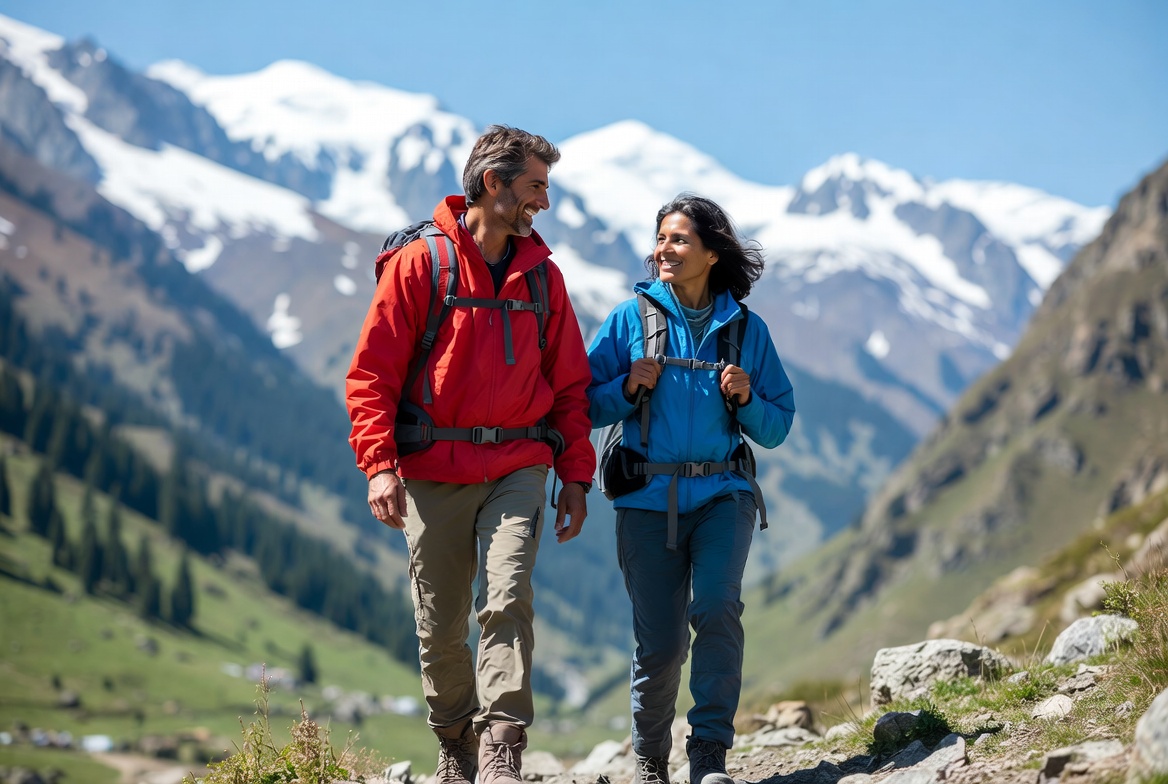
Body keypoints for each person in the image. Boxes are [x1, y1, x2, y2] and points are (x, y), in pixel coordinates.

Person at [346, 125, 595, 784]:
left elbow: (570, 388)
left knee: (508, 596)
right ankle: (455, 739)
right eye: (535, 186)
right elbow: (371, 376)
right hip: (432, 471)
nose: (543, 201)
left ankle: (502, 749)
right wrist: (379, 465)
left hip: (518, 464)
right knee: (441, 621)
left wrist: (574, 476)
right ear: (494, 183)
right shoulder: (420, 265)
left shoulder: (544, 278)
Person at [586, 194, 795, 784]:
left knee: (717, 609)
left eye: (678, 239)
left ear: (710, 252)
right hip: (644, 502)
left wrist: (748, 398)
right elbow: (579, 403)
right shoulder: (629, 320)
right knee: (659, 647)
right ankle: (650, 764)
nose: (664, 250)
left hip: (723, 496)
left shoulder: (746, 330)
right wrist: (626, 388)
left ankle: (708, 756)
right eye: (661, 239)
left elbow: (778, 426)